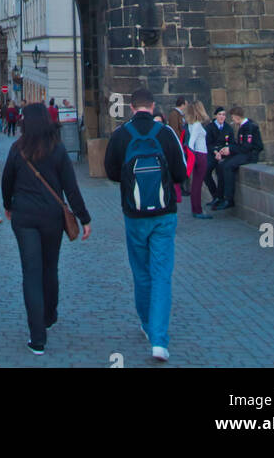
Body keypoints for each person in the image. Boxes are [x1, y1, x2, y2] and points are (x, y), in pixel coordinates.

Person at [104, 88, 187, 363]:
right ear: (152, 106)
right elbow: (180, 173)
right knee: (162, 274)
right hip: (165, 214)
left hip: (134, 214)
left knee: (141, 273)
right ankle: (159, 342)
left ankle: (147, 324)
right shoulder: (166, 134)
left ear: (131, 107)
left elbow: (111, 172)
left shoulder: (120, 135)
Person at [2, 102, 91, 356]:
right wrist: (84, 218)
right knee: (50, 267)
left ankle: (37, 336)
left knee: (31, 272)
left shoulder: (17, 149)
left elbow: (7, 182)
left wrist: (8, 205)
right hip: (52, 217)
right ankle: (49, 314)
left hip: (25, 217)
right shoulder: (59, 150)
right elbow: (70, 187)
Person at [212, 105, 264, 211]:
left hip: (250, 155)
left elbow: (247, 147)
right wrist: (228, 149)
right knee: (221, 165)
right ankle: (220, 196)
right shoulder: (242, 126)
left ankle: (229, 199)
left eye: (232, 117)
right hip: (244, 152)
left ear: (236, 116)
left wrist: (230, 150)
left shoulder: (249, 127)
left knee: (228, 166)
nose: (232, 120)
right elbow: (240, 145)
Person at [184, 100, 212, 219]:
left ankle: (196, 209)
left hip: (197, 154)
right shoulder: (196, 125)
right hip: (200, 155)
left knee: (195, 183)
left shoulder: (191, 124)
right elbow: (191, 142)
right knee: (197, 183)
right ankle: (197, 210)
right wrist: (192, 156)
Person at [205, 107, 234, 207]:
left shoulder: (228, 128)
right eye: (220, 114)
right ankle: (215, 195)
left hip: (223, 154)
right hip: (213, 153)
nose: (222, 117)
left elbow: (231, 143)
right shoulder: (209, 127)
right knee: (206, 172)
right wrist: (215, 151)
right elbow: (208, 143)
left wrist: (224, 151)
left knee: (220, 171)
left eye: (224, 115)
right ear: (216, 116)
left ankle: (220, 197)